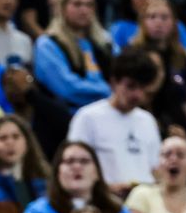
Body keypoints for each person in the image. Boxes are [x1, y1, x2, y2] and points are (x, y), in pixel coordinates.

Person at [67, 49, 161, 194]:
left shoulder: (148, 120)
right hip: (104, 200)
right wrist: (106, 189)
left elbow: (155, 169)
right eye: (131, 86)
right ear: (113, 83)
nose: (137, 95)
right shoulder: (87, 117)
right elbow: (74, 167)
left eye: (142, 88)